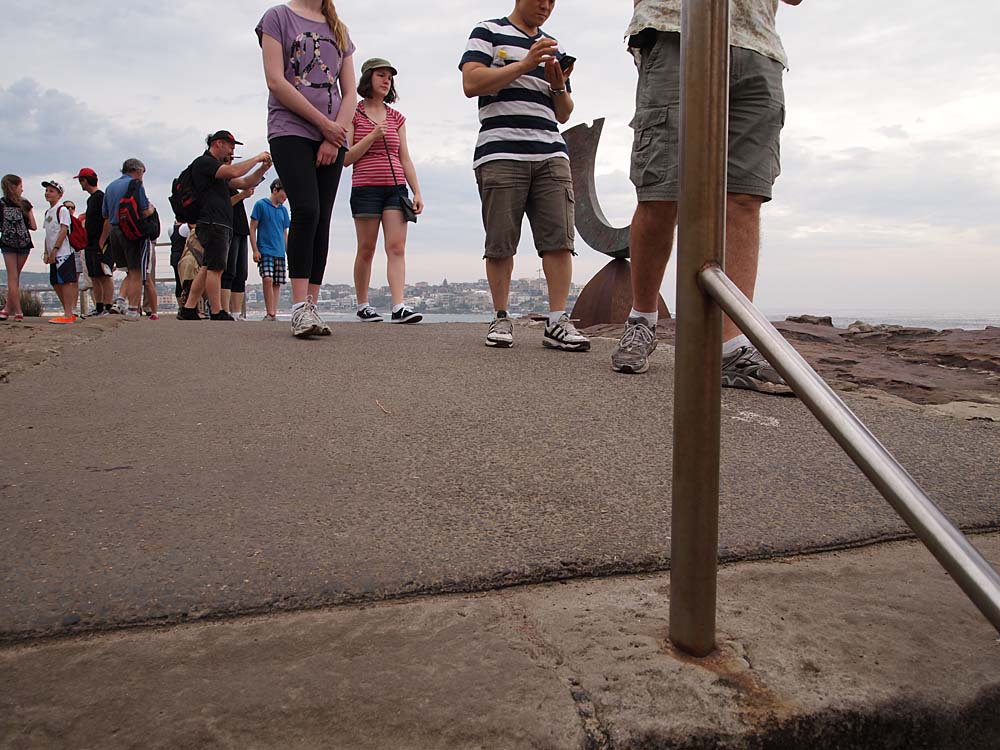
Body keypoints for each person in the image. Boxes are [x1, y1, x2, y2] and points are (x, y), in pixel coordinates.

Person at [610, 0, 801, 394]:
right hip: (676, 29)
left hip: (757, 44)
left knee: (746, 197)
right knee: (661, 192)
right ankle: (642, 320)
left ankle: (731, 346)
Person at [460, 0, 590, 351]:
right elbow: (472, 83)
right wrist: (526, 64)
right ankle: (501, 317)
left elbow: (563, 113)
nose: (546, 6)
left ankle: (557, 320)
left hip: (550, 151)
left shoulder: (553, 46)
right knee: (501, 241)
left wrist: (558, 83)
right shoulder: (487, 31)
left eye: (552, 1)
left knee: (560, 240)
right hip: (500, 151)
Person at [257, 0, 357, 338]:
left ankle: (312, 306)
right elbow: (276, 81)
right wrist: (323, 126)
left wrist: (335, 135)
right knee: (305, 210)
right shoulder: (277, 17)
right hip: (290, 129)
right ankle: (299, 308)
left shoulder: (339, 28)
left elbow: (350, 93)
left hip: (333, 135)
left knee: (323, 218)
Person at [345, 57, 424, 324]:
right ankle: (363, 304)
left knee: (396, 247)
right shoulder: (353, 114)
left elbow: (405, 158)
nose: (386, 80)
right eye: (380, 75)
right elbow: (346, 158)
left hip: (395, 188)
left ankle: (398, 305)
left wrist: (417, 191)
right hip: (365, 187)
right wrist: (372, 136)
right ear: (368, 78)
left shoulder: (397, 117)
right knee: (366, 248)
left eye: (389, 76)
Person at [176, 131, 271, 321]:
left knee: (207, 266)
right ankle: (217, 310)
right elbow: (235, 172)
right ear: (218, 143)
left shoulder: (217, 172)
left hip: (219, 221)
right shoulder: (205, 163)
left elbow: (244, 182)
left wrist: (263, 169)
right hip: (212, 221)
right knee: (216, 268)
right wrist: (257, 157)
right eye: (230, 146)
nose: (232, 150)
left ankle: (189, 307)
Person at [99, 158, 156, 320]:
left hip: (115, 231)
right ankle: (132, 309)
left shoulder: (110, 187)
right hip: (131, 232)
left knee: (127, 271)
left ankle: (122, 301)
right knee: (136, 272)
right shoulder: (136, 185)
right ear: (138, 170)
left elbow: (105, 214)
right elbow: (144, 210)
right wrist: (152, 209)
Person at [250, 179, 291, 320]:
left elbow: (284, 232)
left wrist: (288, 252)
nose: (285, 198)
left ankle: (273, 312)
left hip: (279, 251)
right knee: (267, 278)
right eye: (284, 194)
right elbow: (252, 228)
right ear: (275, 190)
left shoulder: (284, 211)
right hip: (265, 249)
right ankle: (270, 312)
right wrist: (255, 250)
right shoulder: (260, 205)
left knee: (276, 283)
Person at [76, 168, 113, 315]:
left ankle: (108, 306)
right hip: (90, 242)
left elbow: (107, 219)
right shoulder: (91, 199)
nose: (80, 184)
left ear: (85, 181)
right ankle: (99, 306)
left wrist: (102, 240)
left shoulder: (100, 197)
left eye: (81, 181)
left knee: (104, 274)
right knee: (94, 276)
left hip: (100, 243)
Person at [0, 174, 37, 322]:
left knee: (12, 278)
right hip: (24, 243)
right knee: (16, 277)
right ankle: (12, 310)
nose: (23, 189)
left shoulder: (1, 204)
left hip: (8, 243)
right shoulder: (25, 204)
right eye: (21, 186)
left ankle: (14, 310)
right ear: (15, 187)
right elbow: (33, 226)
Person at [41, 180, 78, 324]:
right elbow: (48, 233)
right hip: (52, 252)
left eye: (51, 191)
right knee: (55, 282)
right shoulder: (48, 212)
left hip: (63, 252)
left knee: (65, 282)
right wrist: (46, 251)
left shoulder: (61, 210)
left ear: (59, 194)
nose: (47, 193)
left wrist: (55, 249)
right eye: (47, 191)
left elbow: (64, 230)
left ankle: (69, 313)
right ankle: (67, 310)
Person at [223, 183, 254, 320]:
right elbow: (223, 205)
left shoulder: (233, 183)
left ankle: (236, 313)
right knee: (229, 271)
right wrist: (241, 195)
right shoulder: (220, 185)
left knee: (241, 273)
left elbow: (247, 179)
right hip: (229, 228)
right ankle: (224, 311)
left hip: (241, 229)